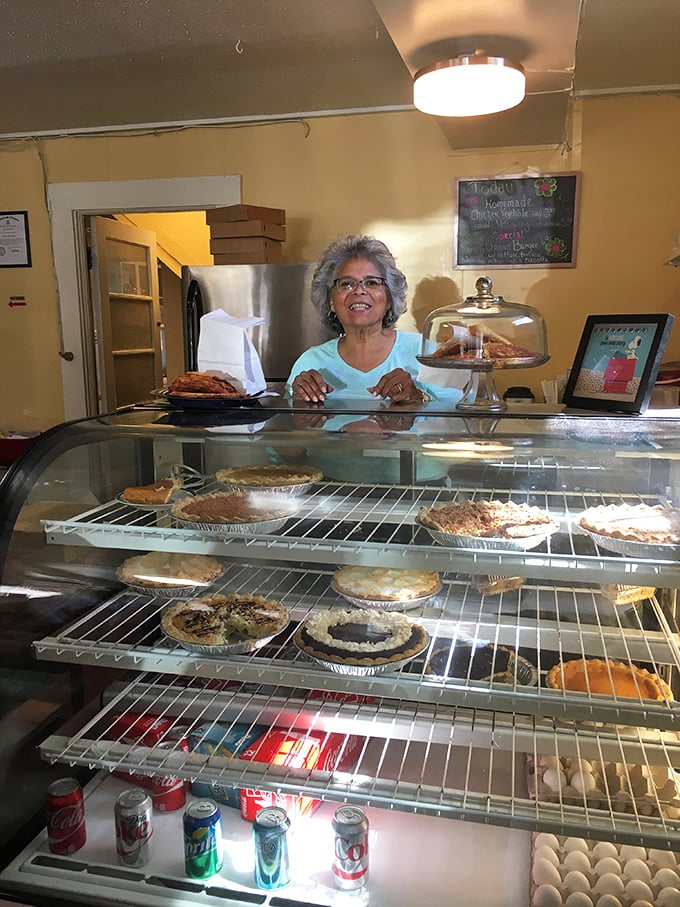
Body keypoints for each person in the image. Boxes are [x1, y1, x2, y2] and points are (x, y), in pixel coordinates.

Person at [286, 234, 464, 404]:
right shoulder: (311, 362)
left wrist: (418, 397)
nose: (359, 291)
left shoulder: (429, 354)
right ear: (330, 301)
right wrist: (300, 404)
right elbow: (294, 430)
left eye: (371, 282)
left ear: (389, 299)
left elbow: (461, 420)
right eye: (346, 284)